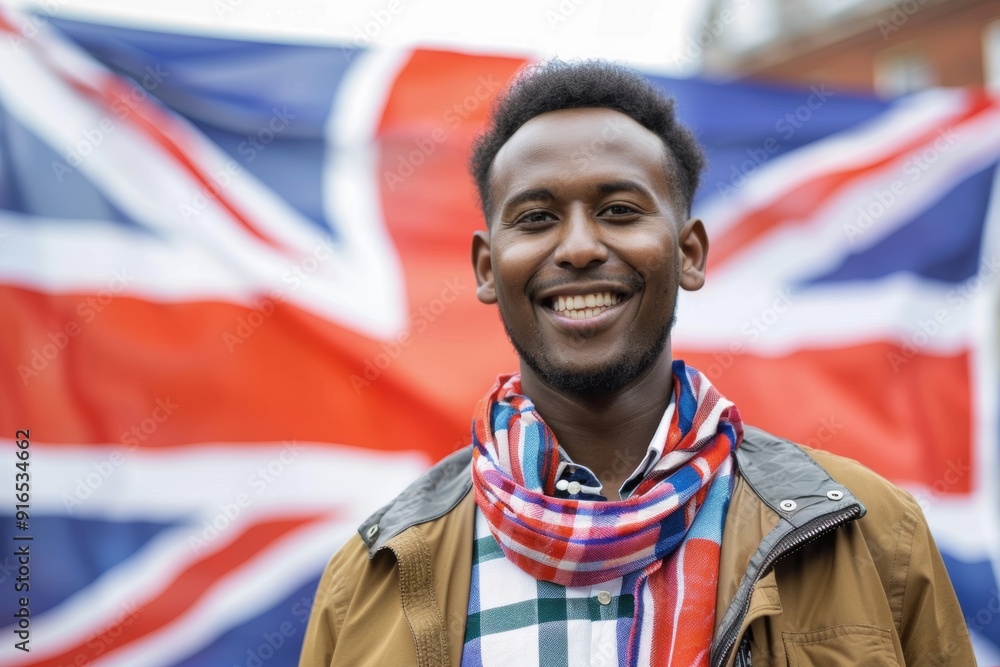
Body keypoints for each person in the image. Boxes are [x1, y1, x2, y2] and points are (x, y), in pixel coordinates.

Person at [299, 60, 975, 667]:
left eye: (619, 210)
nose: (580, 247)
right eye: (535, 218)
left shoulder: (874, 534)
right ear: (486, 267)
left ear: (689, 252)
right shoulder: (367, 579)